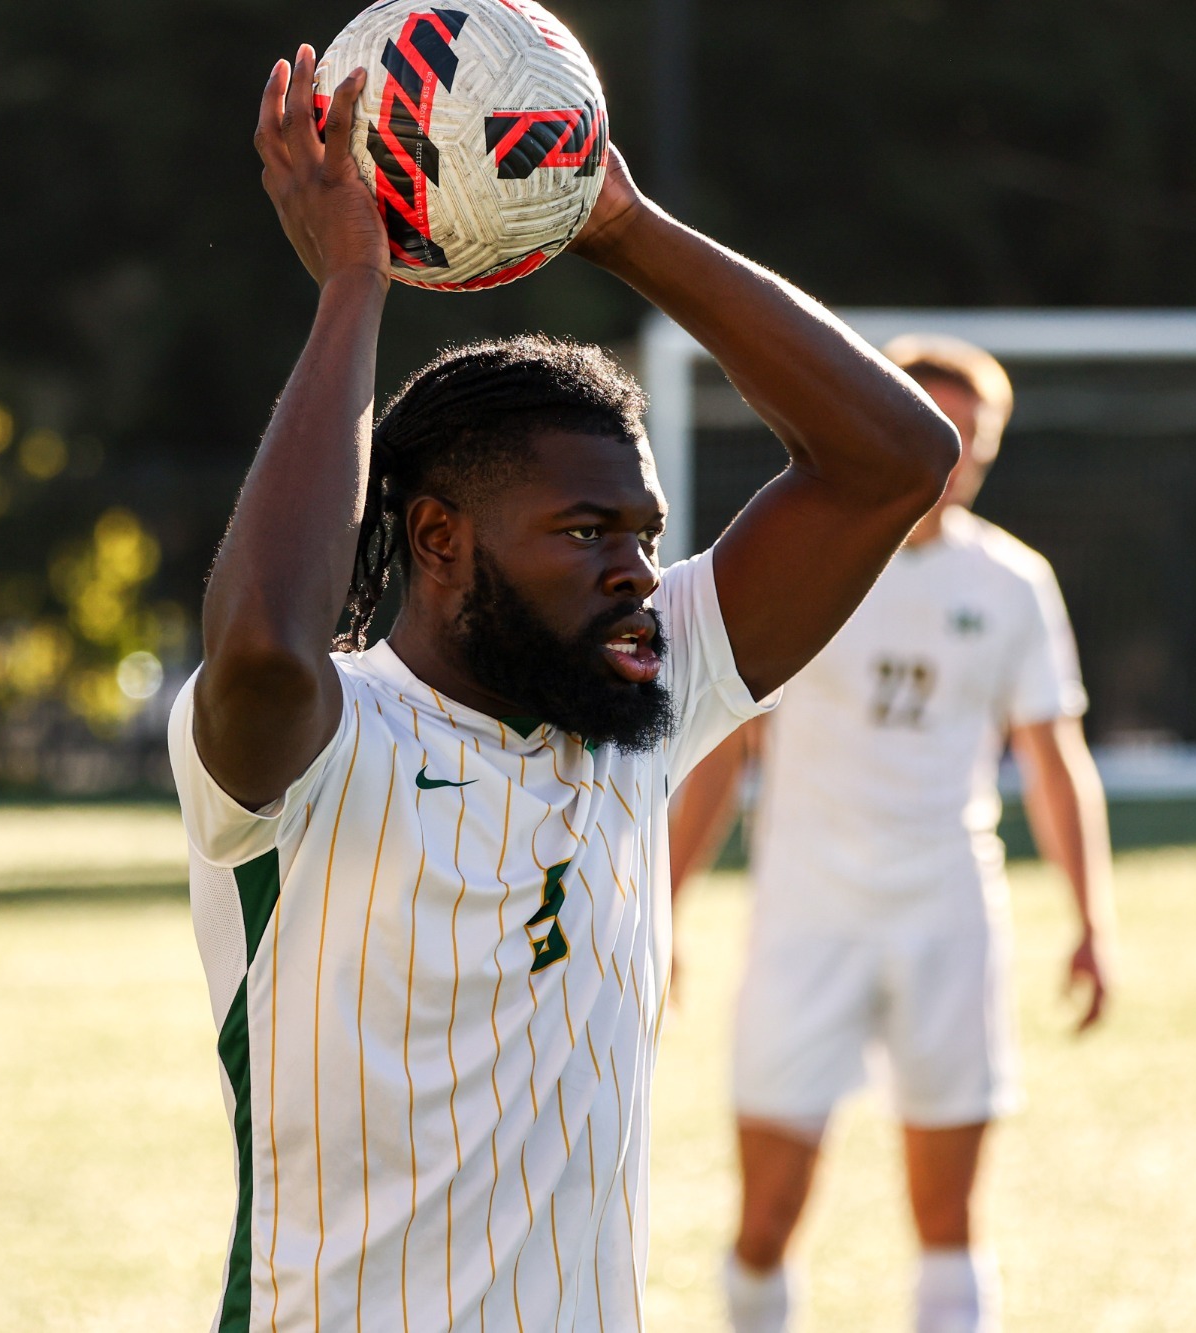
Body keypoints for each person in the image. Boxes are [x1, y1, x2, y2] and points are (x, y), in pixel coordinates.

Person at [166, 47, 958, 1332]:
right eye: (586, 531)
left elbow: (894, 459)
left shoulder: (643, 702)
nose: (638, 571)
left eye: (644, 533)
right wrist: (353, 285)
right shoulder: (319, 742)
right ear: (437, 539)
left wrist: (625, 226)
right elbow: (258, 645)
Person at [669, 334, 1117, 1333]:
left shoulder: (1010, 583)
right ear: (877, 422)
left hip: (947, 916)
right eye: (931, 428)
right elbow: (724, 754)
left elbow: (1052, 761)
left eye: (970, 441)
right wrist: (660, 908)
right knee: (768, 1213)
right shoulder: (799, 557)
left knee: (948, 1214)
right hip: (805, 918)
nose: (947, 457)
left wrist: (1093, 920)